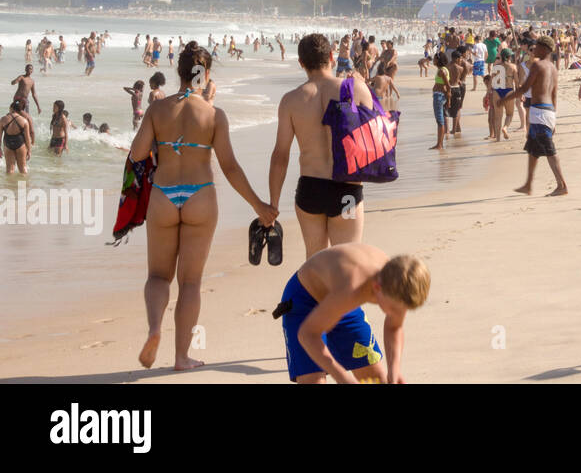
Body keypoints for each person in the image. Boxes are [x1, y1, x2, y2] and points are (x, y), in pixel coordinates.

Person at [130, 42, 277, 369]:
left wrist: (161, 142)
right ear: (205, 75)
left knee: (157, 276)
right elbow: (230, 167)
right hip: (200, 196)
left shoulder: (157, 109)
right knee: (191, 282)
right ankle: (182, 357)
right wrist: (259, 205)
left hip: (164, 195)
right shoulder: (214, 115)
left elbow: (137, 154)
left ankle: (154, 329)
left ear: (179, 72)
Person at [268, 34, 378, 259]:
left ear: (301, 63)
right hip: (346, 189)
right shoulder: (356, 89)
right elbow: (375, 136)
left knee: (315, 263)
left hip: (310, 190)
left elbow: (280, 156)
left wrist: (273, 204)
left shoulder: (291, 100)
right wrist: (362, 85)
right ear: (331, 56)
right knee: (347, 262)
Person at [275, 244, 429, 384]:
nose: (397, 314)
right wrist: (342, 376)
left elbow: (394, 327)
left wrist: (394, 372)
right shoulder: (352, 287)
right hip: (304, 301)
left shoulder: (398, 284)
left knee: (376, 379)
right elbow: (307, 335)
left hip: (342, 303)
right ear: (377, 287)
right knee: (314, 381)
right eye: (394, 309)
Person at [494, 35, 567, 196]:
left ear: (546, 49)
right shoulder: (553, 68)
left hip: (540, 112)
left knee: (549, 150)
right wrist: (554, 118)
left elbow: (523, 88)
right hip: (546, 111)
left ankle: (562, 185)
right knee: (533, 150)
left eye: (538, 47)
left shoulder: (537, 65)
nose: (534, 50)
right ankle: (528, 184)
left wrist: (504, 100)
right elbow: (554, 95)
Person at [1, 101, 32, 174]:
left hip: (8, 144)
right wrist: (29, 151)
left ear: (11, 108)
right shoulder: (24, 121)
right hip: (20, 144)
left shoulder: (3, 119)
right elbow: (27, 138)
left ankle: (10, 185)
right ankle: (21, 185)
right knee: (22, 169)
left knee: (9, 170)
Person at [429, 51, 451, 152]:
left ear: (438, 60)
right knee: (440, 120)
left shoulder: (441, 71)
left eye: (434, 59)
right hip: (440, 96)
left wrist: (449, 99)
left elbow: (448, 85)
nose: (433, 60)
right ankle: (439, 143)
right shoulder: (444, 69)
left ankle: (439, 144)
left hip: (439, 96)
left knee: (440, 121)